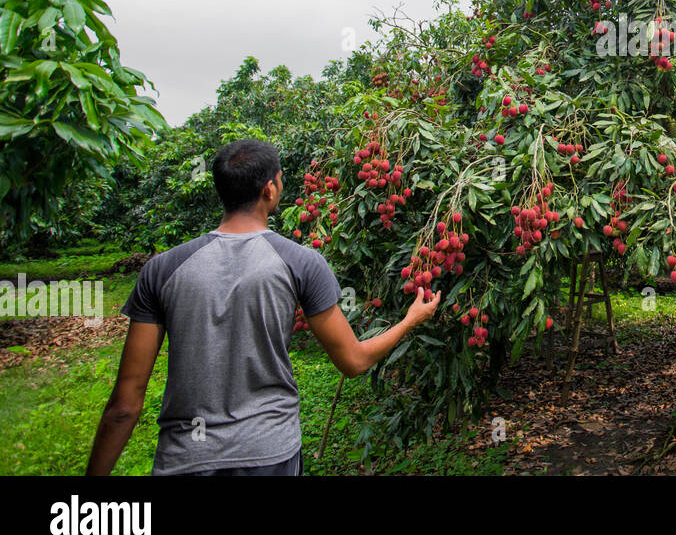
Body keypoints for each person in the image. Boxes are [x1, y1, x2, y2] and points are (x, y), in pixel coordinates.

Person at [86, 138, 440, 475]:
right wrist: (411, 319)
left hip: (187, 456)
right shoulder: (301, 262)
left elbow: (124, 406)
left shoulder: (162, 269)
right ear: (269, 190)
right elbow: (354, 361)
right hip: (270, 454)